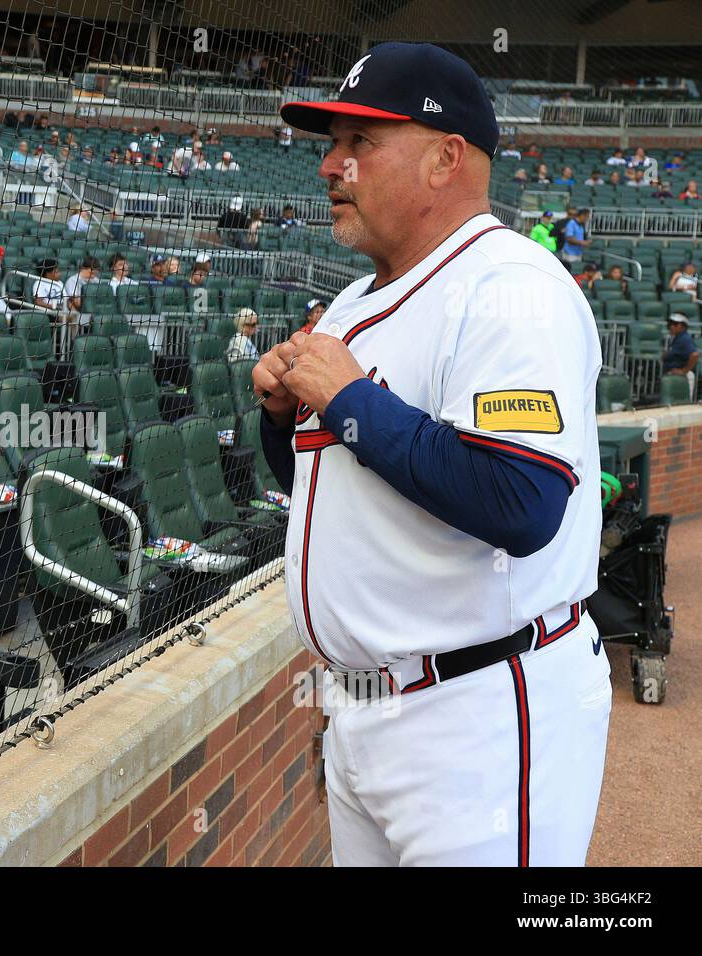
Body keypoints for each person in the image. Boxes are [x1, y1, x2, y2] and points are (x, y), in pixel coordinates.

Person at [260, 43, 609, 867]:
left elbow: (518, 503)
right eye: (330, 142)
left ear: (447, 157)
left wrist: (351, 401)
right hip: (366, 715)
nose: (330, 164)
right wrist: (286, 421)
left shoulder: (512, 287)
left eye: (360, 142)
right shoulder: (350, 302)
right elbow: (328, 494)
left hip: (480, 716)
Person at [663, 313, 698, 398]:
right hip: (675, 377)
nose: (671, 326)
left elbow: (695, 355)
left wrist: (684, 371)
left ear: (681, 326)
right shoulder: (677, 338)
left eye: (674, 324)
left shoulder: (685, 338)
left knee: (682, 405)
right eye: (670, 324)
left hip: (683, 378)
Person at [62, 256, 99, 323]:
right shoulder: (73, 280)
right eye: (91, 273)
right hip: (78, 311)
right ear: (83, 268)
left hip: (94, 312)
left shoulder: (96, 281)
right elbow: (77, 302)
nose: (93, 276)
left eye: (95, 273)